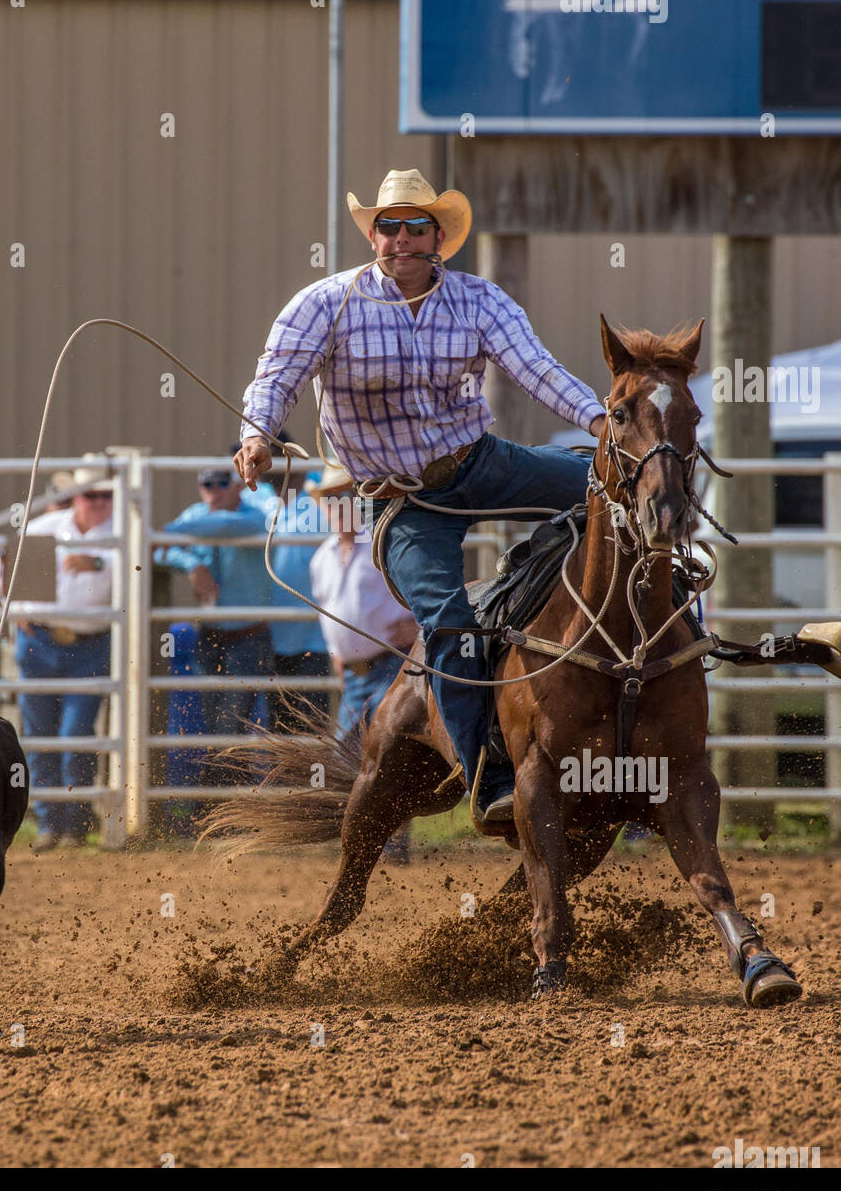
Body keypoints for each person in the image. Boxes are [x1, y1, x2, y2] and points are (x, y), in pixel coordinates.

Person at [234, 167, 606, 825]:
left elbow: (536, 370)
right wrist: (257, 434)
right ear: (372, 234)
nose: (401, 238)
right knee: (446, 619)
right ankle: (488, 779)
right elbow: (275, 380)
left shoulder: (478, 301)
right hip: (400, 501)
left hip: (479, 462)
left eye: (415, 226)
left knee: (613, 488)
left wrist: (603, 422)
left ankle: (659, 651)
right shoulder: (326, 304)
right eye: (388, 226)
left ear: (438, 236)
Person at [0, 457, 116, 850]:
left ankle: (75, 824)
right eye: (90, 495)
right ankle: (50, 821)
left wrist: (96, 561)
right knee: (39, 733)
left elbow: (139, 565)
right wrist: (14, 609)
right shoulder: (43, 529)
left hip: (91, 644)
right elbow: (2, 568)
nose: (98, 502)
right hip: (40, 641)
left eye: (104, 495)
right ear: (75, 497)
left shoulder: (121, 531)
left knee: (75, 733)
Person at [309, 461, 419, 861]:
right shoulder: (322, 557)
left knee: (387, 753)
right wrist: (337, 653)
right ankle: (360, 842)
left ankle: (390, 843)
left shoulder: (380, 543)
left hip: (391, 663)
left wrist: (415, 628)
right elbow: (327, 610)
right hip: (356, 672)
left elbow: (418, 592)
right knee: (347, 753)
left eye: (346, 496)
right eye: (332, 498)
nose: (339, 505)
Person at [156, 456, 274, 790]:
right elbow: (159, 550)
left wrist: (175, 535)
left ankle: (219, 801)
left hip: (249, 637)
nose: (213, 491)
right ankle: (226, 801)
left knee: (229, 724)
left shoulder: (253, 518)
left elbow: (218, 527)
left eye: (221, 483)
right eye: (207, 485)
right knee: (216, 723)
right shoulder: (196, 517)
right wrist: (192, 564)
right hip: (211, 636)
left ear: (237, 486)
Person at [253, 434, 332, 732]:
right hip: (270, 631)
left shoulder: (321, 497)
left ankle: (312, 777)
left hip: (314, 632)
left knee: (313, 718)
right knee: (279, 719)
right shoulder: (257, 497)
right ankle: (286, 779)